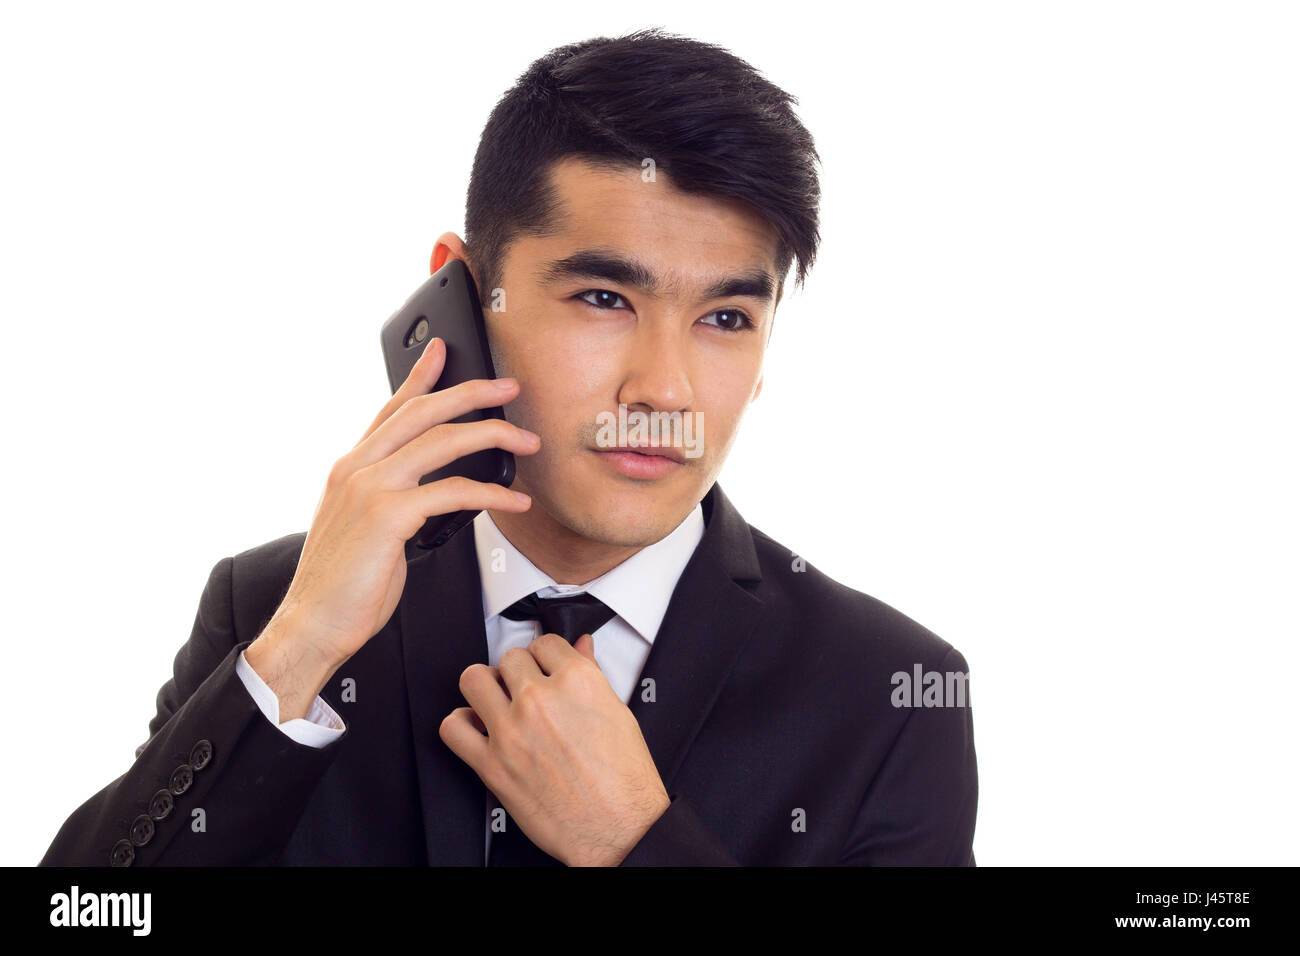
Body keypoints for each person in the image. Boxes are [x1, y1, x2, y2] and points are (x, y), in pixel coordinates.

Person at [40, 28, 977, 867]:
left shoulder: (885, 695)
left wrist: (635, 847)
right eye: (605, 299)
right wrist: (293, 655)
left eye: (725, 317)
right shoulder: (271, 611)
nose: (666, 389)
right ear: (463, 292)